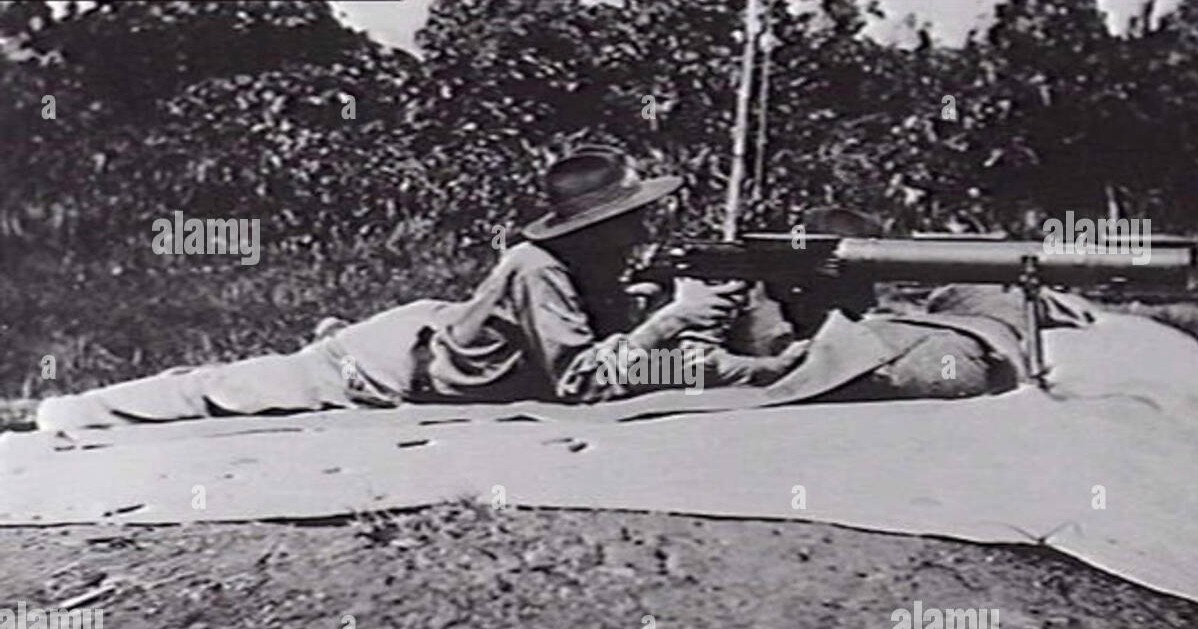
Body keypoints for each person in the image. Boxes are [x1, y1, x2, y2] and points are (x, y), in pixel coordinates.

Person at [36, 147, 809, 430]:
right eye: (630, 217)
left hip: (431, 332)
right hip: (378, 365)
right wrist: (669, 320)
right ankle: (67, 409)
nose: (642, 229)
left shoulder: (593, 264)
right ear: (592, 227)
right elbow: (581, 382)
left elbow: (633, 350)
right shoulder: (537, 268)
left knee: (222, 383)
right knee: (218, 391)